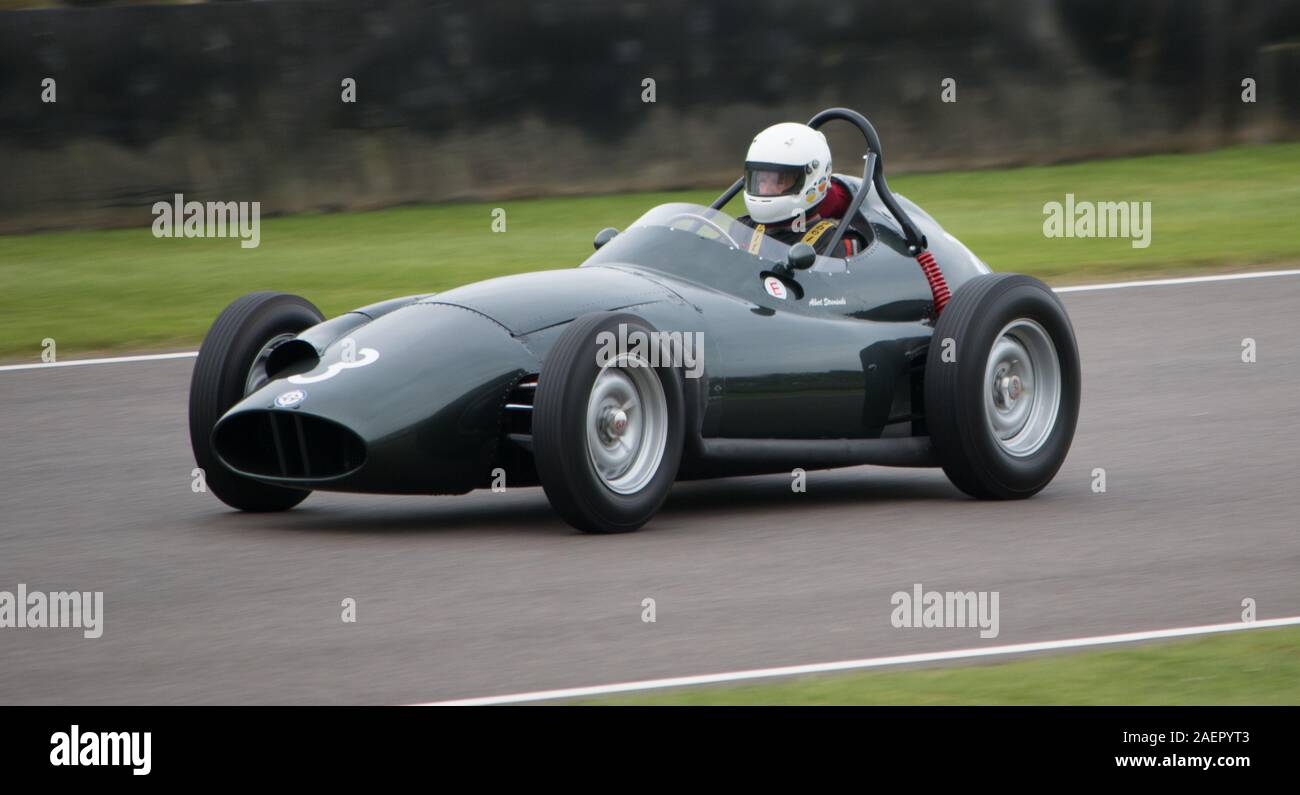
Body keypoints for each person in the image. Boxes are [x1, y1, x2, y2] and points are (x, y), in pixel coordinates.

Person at [736, 122, 871, 257]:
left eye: (779, 181)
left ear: (812, 179)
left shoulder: (834, 243)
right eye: (761, 180)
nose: (765, 190)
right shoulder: (742, 229)